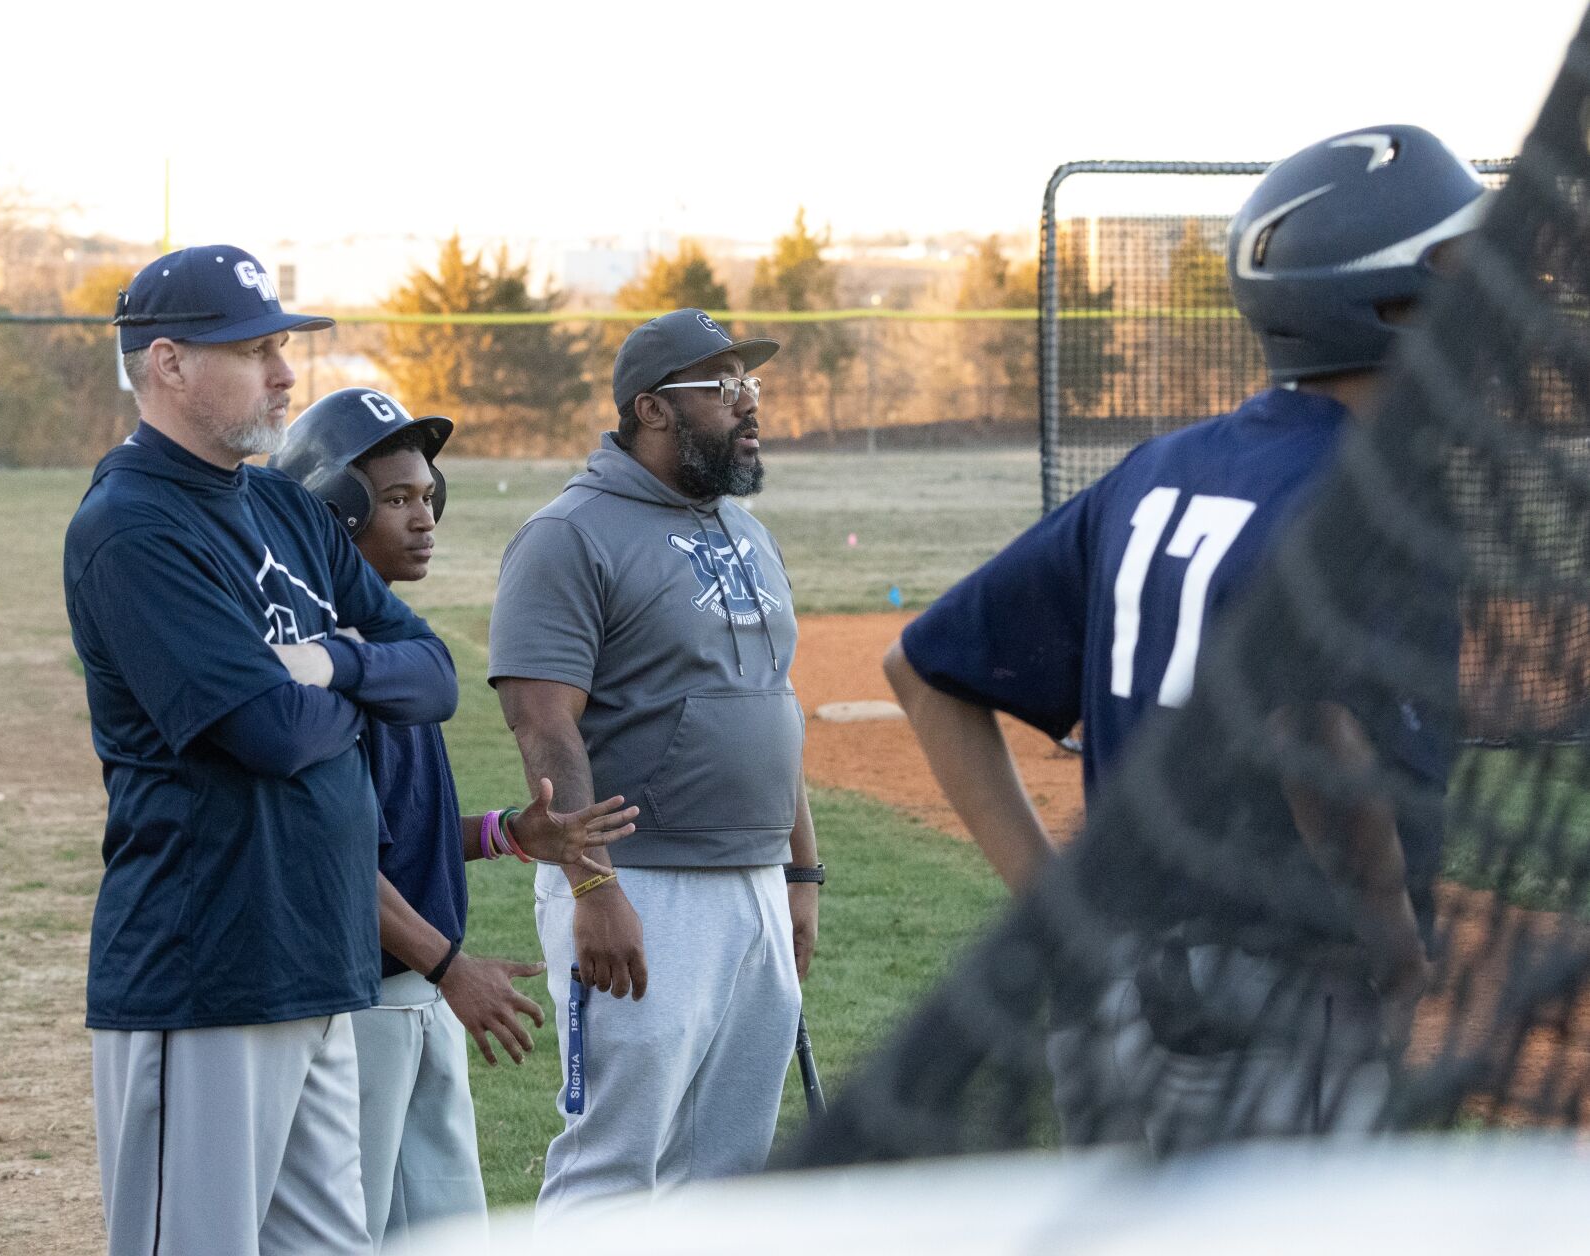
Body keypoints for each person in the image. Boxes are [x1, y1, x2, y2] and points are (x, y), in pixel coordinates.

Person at [883, 125, 1483, 1149]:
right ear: (1382, 299)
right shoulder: (1374, 506)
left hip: (1110, 996)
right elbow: (1309, 725)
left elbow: (922, 669)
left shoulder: (1160, 466)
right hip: (1274, 1007)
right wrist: (1391, 942)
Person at [67, 245, 459, 1256]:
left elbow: (434, 674)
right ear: (168, 364)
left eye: (282, 346)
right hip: (205, 973)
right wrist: (352, 685)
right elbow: (270, 734)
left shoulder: (282, 504)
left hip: (321, 965)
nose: (285, 374)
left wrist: (326, 662)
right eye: (253, 350)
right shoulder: (133, 524)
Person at [271, 388, 639, 1248]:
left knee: (442, 1231)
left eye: (429, 496)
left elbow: (394, 831)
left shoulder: (387, 651)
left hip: (415, 995)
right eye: (396, 499)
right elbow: (329, 856)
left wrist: (509, 834)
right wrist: (448, 966)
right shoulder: (323, 665)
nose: (424, 517)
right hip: (357, 1002)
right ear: (334, 509)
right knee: (346, 1231)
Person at [488, 308, 822, 1217]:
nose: (748, 404)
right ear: (653, 409)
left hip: (753, 885)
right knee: (614, 1165)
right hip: (642, 887)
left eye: (750, 384)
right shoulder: (569, 534)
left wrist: (801, 873)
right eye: (723, 387)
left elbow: (772, 703)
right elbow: (543, 726)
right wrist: (592, 891)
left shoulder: (747, 532)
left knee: (728, 1175)